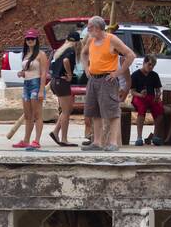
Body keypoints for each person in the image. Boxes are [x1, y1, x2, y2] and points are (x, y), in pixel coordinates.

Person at [80, 16, 134, 149]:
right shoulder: (91, 40)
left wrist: (118, 72)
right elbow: (84, 53)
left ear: (97, 28)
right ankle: (97, 142)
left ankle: (113, 143)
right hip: (94, 79)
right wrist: (86, 69)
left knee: (112, 112)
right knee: (94, 111)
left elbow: (130, 55)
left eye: (90, 27)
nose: (88, 29)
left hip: (107, 79)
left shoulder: (111, 39)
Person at [16, 29, 49, 150]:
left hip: (36, 84)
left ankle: (37, 140)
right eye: (28, 39)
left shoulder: (41, 54)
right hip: (26, 84)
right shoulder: (25, 54)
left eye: (32, 39)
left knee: (37, 114)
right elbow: (28, 71)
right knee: (27, 115)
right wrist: (22, 73)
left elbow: (44, 73)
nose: (30, 41)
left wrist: (41, 90)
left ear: (36, 40)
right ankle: (26, 140)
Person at [48, 29, 80, 146]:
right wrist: (70, 74)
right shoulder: (71, 51)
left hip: (54, 81)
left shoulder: (59, 51)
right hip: (62, 82)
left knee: (66, 109)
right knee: (66, 112)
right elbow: (66, 61)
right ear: (77, 42)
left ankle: (56, 132)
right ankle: (64, 139)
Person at [128, 55, 164, 145]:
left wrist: (158, 95)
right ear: (144, 63)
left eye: (153, 66)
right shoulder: (135, 75)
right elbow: (132, 92)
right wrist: (140, 94)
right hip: (139, 97)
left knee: (159, 110)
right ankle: (139, 137)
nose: (151, 67)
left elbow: (158, 90)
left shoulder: (154, 75)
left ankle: (155, 136)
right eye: (149, 64)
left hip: (151, 97)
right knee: (141, 109)